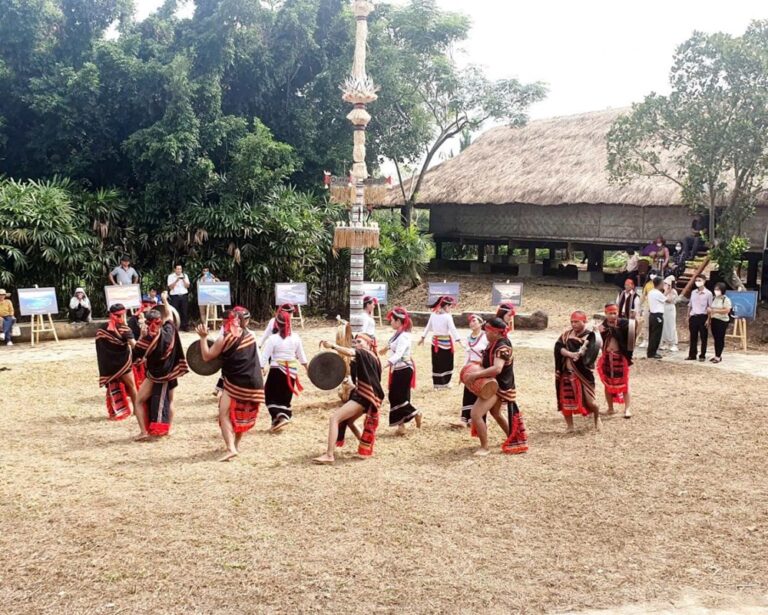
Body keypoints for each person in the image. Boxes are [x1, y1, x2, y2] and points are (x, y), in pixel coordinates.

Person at [196, 309, 264, 462]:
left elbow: (206, 356)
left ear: (223, 322)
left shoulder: (224, 338)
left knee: (224, 414)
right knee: (242, 414)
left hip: (235, 383)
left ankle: (231, 448)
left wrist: (203, 338)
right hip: (253, 382)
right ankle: (236, 444)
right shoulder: (250, 336)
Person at [312, 333, 385, 464]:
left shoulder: (365, 353)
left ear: (369, 344)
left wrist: (333, 346)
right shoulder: (374, 358)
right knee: (350, 422)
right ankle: (366, 447)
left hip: (364, 396)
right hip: (368, 396)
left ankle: (329, 455)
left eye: (360, 342)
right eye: (355, 342)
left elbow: (351, 352)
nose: (356, 344)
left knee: (334, 419)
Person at [463, 317, 528, 456]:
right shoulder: (493, 343)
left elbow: (497, 368)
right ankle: (513, 438)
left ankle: (484, 447)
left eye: (487, 331)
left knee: (475, 414)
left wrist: (475, 375)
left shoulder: (502, 346)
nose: (485, 333)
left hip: (497, 386)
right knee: (496, 413)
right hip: (494, 383)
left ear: (496, 332)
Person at [132, 306, 189, 438]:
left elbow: (135, 356)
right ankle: (168, 429)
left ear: (147, 323)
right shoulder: (169, 331)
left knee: (138, 401)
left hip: (155, 375)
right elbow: (169, 315)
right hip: (171, 373)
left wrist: (141, 336)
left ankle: (143, 432)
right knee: (170, 401)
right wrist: (164, 300)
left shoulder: (146, 340)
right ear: (161, 321)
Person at [260, 307, 308, 432]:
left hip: (276, 371)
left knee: (270, 396)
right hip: (292, 372)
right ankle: (276, 422)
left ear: (277, 324)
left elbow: (264, 357)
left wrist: (261, 368)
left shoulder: (273, 339)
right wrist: (308, 368)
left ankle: (281, 417)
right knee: (284, 398)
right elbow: (301, 356)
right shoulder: (296, 337)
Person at [554, 311, 601, 432]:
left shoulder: (590, 336)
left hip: (583, 374)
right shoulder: (566, 335)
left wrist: (596, 335)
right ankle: (570, 426)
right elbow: (558, 348)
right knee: (565, 400)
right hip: (566, 372)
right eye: (572, 322)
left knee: (590, 402)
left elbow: (592, 353)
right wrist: (570, 354)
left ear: (584, 321)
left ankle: (597, 418)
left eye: (576, 322)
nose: (573, 324)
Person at [95, 304, 140, 429]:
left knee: (122, 386)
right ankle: (137, 410)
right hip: (123, 364)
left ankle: (118, 410)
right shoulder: (124, 329)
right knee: (132, 386)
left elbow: (101, 350)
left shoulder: (101, 329)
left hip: (109, 364)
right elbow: (135, 346)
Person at [383, 307, 420, 434]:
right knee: (396, 396)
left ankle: (415, 413)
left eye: (392, 320)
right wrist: (385, 349)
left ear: (398, 321)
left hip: (404, 369)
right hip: (398, 368)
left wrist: (385, 365)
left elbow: (399, 354)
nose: (391, 322)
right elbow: (392, 346)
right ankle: (401, 426)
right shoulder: (397, 334)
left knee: (397, 396)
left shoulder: (404, 336)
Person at [597, 304, 634, 418]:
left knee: (625, 383)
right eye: (610, 313)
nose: (613, 315)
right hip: (607, 357)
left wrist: (634, 319)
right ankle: (610, 408)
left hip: (620, 356)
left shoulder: (623, 323)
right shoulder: (603, 325)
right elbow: (599, 341)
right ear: (605, 313)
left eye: (615, 313)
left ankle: (627, 409)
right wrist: (599, 331)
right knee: (607, 384)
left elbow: (632, 331)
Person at [419, 296, 463, 389]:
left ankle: (438, 384)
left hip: (436, 343)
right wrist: (458, 340)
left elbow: (428, 327)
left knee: (437, 363)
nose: (450, 309)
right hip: (445, 343)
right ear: (446, 306)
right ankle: (445, 383)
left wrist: (423, 337)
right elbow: (453, 329)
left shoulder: (433, 314)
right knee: (447, 363)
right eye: (450, 306)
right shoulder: (447, 316)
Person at [453, 314, 488, 429]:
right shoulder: (469, 337)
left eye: (474, 321)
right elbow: (467, 355)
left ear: (481, 323)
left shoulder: (485, 337)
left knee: (479, 393)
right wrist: (464, 371)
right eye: (470, 321)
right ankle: (464, 419)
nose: (471, 323)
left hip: (481, 368)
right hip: (470, 367)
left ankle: (476, 419)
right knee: (468, 392)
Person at [687, 274, 713, 362]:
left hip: (703, 316)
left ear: (704, 281)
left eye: (699, 280)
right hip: (693, 316)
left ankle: (702, 355)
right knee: (693, 336)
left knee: (703, 337)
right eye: (696, 280)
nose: (697, 282)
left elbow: (710, 307)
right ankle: (692, 354)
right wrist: (688, 316)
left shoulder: (708, 293)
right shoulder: (693, 292)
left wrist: (708, 319)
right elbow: (690, 305)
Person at [708, 282, 732, 364]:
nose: (716, 291)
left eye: (718, 289)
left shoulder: (725, 299)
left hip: (722, 321)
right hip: (714, 319)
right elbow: (710, 309)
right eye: (715, 289)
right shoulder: (714, 298)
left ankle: (718, 356)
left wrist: (715, 311)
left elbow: (727, 310)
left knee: (720, 338)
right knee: (716, 338)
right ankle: (716, 355)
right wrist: (709, 319)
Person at [167, 264, 191, 331]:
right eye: (178, 269)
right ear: (174, 269)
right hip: (174, 296)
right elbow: (170, 287)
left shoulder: (185, 275)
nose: (179, 270)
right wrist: (176, 280)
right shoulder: (170, 276)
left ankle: (185, 326)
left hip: (184, 295)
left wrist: (183, 280)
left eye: (180, 269)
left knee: (184, 311)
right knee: (175, 311)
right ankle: (175, 326)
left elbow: (187, 286)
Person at [646, 276, 665, 359]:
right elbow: (667, 299)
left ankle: (650, 351)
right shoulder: (657, 293)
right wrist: (668, 291)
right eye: (662, 283)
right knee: (656, 334)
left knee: (652, 333)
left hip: (652, 315)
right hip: (657, 315)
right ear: (659, 284)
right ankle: (652, 352)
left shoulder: (651, 292)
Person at [660, 275, 679, 352]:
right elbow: (661, 299)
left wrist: (668, 292)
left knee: (671, 326)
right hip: (664, 309)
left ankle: (673, 343)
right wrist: (665, 292)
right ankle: (665, 342)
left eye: (667, 284)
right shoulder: (663, 291)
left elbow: (669, 300)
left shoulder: (673, 291)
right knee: (664, 326)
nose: (665, 285)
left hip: (670, 309)